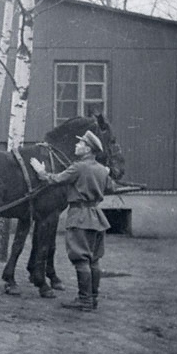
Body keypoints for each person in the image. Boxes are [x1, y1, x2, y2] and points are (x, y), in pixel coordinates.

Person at [30, 130, 116, 312]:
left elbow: (55, 180)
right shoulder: (102, 169)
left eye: (80, 144)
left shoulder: (78, 167)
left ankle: (84, 301)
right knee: (94, 260)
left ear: (88, 149)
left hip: (80, 216)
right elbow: (111, 187)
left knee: (80, 258)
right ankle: (92, 299)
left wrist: (41, 171)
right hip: (97, 217)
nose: (76, 146)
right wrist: (103, 175)